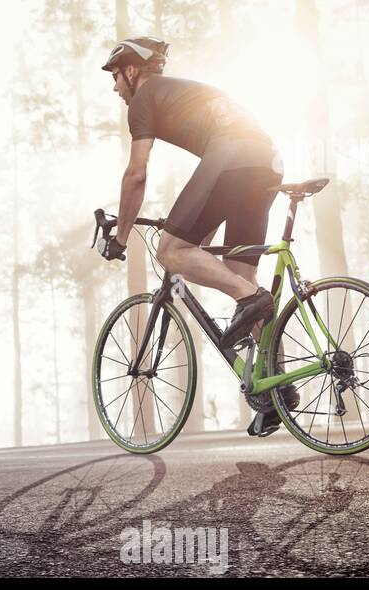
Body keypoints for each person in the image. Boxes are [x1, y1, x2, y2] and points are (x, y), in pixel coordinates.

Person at [99, 36, 298, 412]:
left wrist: (121, 238)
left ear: (131, 70)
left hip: (231, 156)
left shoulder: (144, 98)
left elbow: (136, 175)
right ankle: (278, 388)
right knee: (239, 273)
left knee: (170, 251)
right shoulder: (181, 91)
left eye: (115, 76)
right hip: (266, 161)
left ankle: (252, 301)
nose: (114, 87)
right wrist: (190, 238)